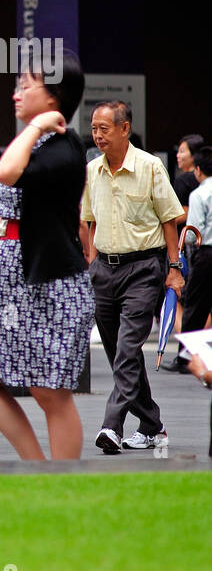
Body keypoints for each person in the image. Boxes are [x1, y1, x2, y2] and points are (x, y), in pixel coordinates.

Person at [0, 61, 92, 459]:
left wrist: (40, 126)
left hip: (51, 284)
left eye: (27, 85)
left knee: (50, 392)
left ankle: (61, 483)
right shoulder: (35, 143)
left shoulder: (64, 147)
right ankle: (36, 466)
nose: (17, 92)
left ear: (54, 98)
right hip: (9, 283)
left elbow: (6, 173)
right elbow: (6, 212)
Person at [81, 100, 184, 453]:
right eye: (94, 128)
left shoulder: (150, 166)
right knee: (118, 352)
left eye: (104, 128)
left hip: (143, 269)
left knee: (127, 348)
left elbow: (170, 219)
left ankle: (111, 425)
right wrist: (91, 264)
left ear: (125, 128)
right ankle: (153, 424)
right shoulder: (92, 170)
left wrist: (174, 269)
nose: (97, 135)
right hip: (103, 271)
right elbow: (89, 222)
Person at [180, 146, 212, 334]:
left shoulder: (199, 194)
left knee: (195, 308)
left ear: (198, 170)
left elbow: (192, 233)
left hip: (207, 255)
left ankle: (186, 358)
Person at [172, 134, 204, 212]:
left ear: (194, 155)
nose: (177, 155)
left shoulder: (182, 180)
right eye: (178, 152)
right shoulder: (206, 177)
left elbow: (184, 212)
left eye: (182, 151)